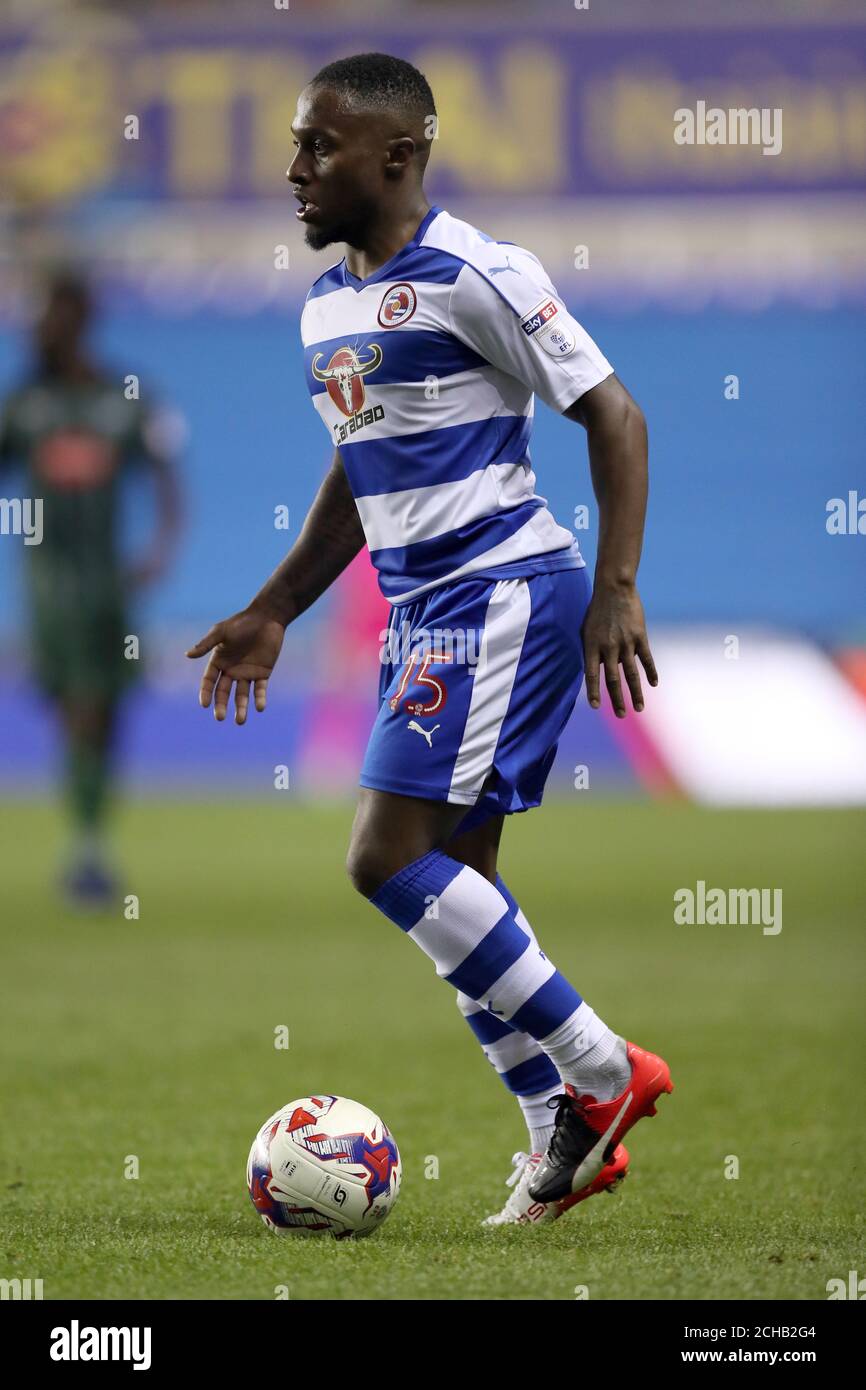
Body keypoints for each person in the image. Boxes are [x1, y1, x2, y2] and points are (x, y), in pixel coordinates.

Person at [187, 53, 672, 1227]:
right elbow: (359, 479)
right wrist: (272, 608)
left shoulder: (475, 272)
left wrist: (616, 585)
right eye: (296, 145)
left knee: (381, 859)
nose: (294, 170)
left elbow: (612, 409)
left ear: (398, 157)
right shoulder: (328, 305)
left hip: (500, 590)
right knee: (463, 891)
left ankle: (607, 1073)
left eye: (319, 147)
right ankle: (554, 1141)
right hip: (427, 611)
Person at [0, 271, 182, 906]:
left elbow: (165, 473)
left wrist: (159, 548)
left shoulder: (122, 397)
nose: (36, 326)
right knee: (78, 703)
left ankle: (89, 838)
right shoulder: (25, 403)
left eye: (47, 312)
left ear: (76, 316)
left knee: (104, 707)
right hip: (50, 581)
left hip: (109, 580)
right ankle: (86, 846)